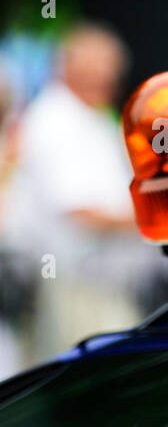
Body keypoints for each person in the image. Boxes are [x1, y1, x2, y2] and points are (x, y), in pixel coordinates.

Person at [2, 23, 151, 362]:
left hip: (99, 287)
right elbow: (79, 210)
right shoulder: (55, 119)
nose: (103, 78)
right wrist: (158, 216)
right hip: (75, 286)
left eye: (108, 70)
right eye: (93, 69)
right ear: (65, 66)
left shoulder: (91, 118)